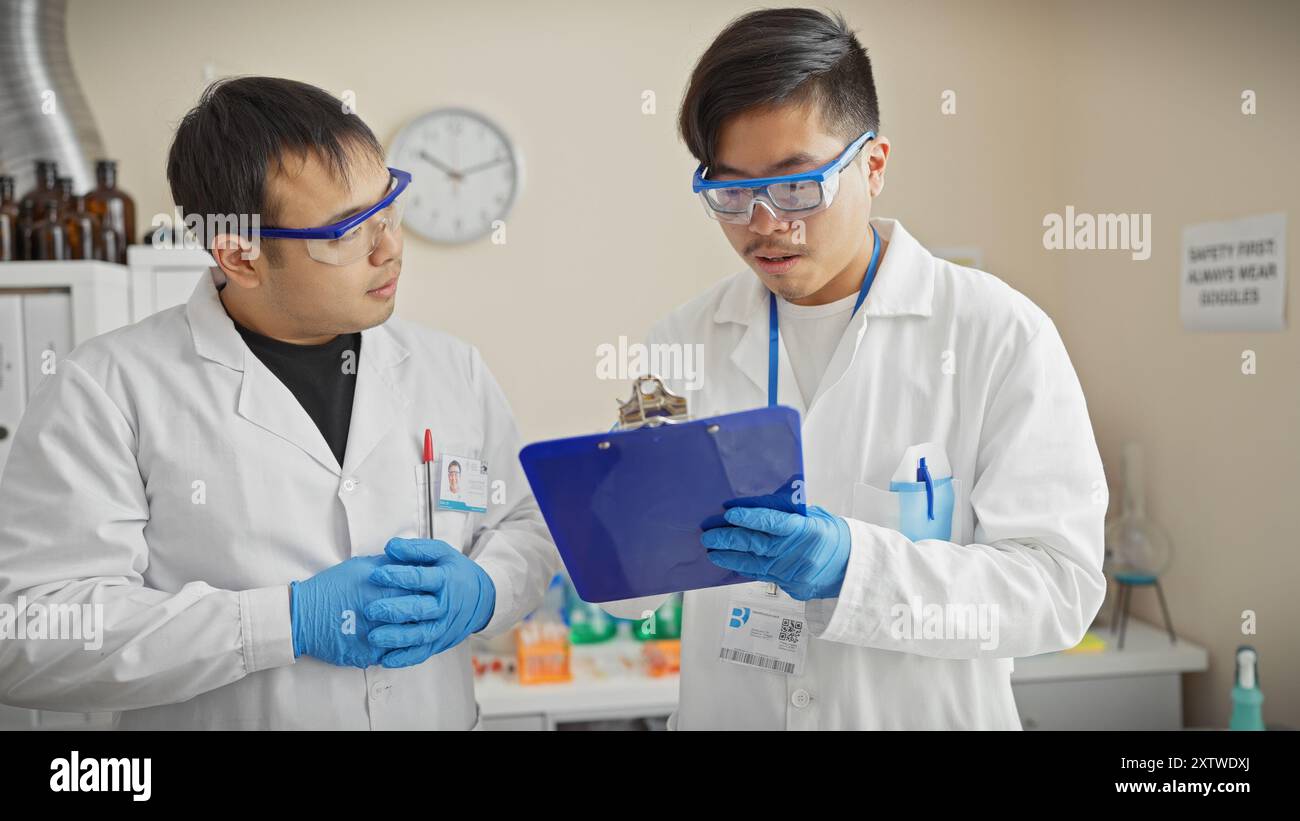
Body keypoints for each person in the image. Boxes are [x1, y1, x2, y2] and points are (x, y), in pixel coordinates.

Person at [0, 77, 559, 729]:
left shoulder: (450, 368)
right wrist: (281, 622)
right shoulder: (109, 388)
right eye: (347, 231)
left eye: (388, 206)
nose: (390, 246)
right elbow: (30, 634)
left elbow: (526, 525)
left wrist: (486, 589)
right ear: (239, 254)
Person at [605, 8, 1107, 730]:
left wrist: (854, 568)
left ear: (872, 165)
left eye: (796, 184)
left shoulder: (999, 335)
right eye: (731, 192)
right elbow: (629, 587)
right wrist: (614, 529)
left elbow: (1057, 589)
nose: (767, 222)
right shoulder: (682, 342)